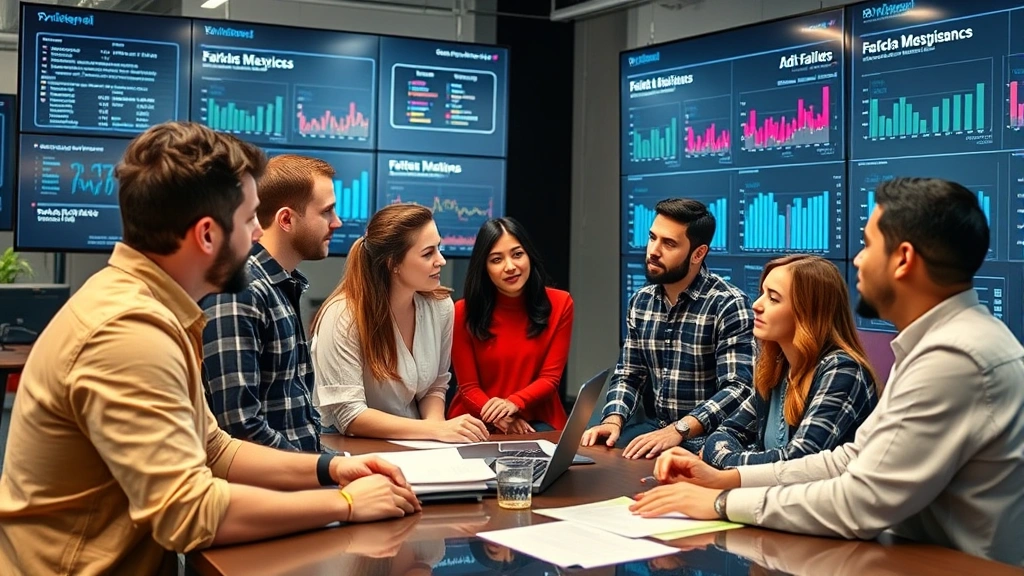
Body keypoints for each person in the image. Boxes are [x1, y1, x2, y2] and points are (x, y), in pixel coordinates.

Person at [0, 122, 419, 576]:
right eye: (248, 220)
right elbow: (189, 514)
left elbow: (216, 449)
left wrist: (330, 470)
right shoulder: (128, 332)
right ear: (206, 235)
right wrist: (345, 503)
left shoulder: (154, 308)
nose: (257, 235)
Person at [630, 178, 1024, 566]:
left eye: (868, 245)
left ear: (903, 259)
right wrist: (726, 479)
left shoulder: (954, 357)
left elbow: (860, 501)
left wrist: (721, 502)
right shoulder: (945, 344)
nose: (857, 260)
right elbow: (848, 459)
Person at [581, 198, 755, 459]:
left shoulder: (728, 304)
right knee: (595, 457)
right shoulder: (641, 301)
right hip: (658, 432)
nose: (653, 251)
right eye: (653, 238)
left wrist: (679, 429)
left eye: (669, 244)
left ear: (698, 254)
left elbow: (738, 389)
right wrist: (613, 420)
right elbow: (630, 375)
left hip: (710, 440)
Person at [310, 203, 489, 442]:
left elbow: (435, 386)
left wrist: (438, 433)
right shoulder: (342, 316)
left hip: (414, 441)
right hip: (350, 445)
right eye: (428, 253)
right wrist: (435, 431)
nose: (441, 261)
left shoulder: (441, 307)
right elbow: (349, 415)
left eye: (439, 248)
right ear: (393, 263)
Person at [201, 154, 341, 452]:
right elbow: (240, 428)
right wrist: (322, 469)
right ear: (286, 219)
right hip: (278, 477)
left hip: (300, 468)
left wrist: (333, 463)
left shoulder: (281, 285)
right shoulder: (240, 293)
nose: (337, 222)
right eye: (327, 212)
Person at [701, 255, 880, 469]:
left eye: (773, 299)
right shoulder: (778, 368)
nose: (756, 305)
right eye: (762, 293)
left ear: (809, 312)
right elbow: (724, 433)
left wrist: (724, 461)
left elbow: (799, 461)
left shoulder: (842, 370)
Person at [447, 217, 574, 433]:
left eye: (517, 254)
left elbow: (550, 379)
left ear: (529, 255)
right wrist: (501, 417)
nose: (510, 267)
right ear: (484, 267)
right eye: (496, 259)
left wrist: (513, 404)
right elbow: (468, 388)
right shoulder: (462, 311)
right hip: (477, 423)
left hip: (538, 423)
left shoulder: (561, 304)